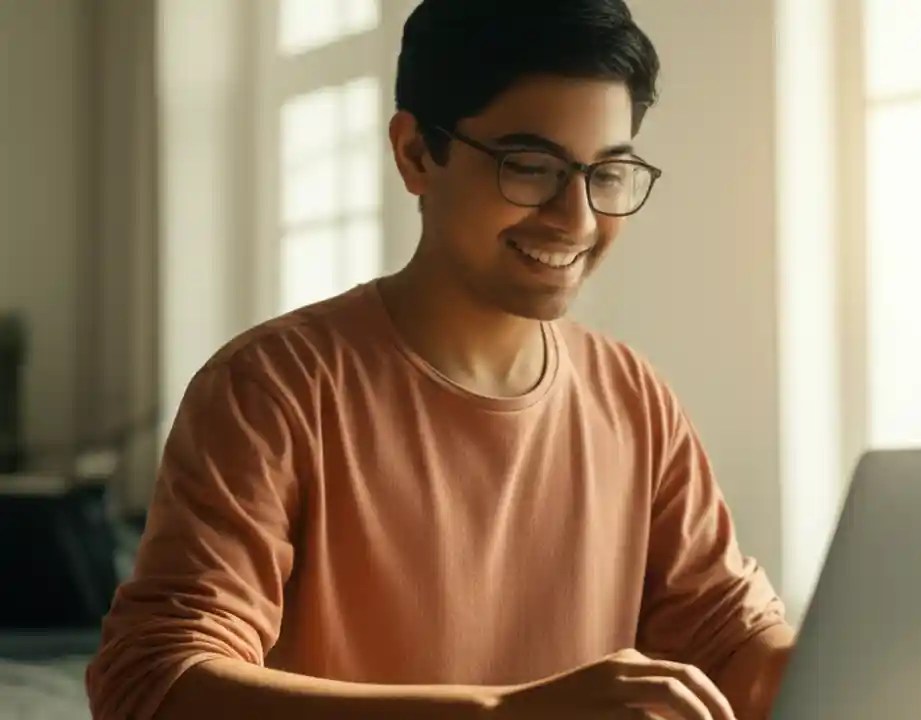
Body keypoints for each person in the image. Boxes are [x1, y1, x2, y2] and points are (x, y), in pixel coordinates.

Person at [85, 1, 794, 718]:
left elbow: (733, 643)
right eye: (530, 167)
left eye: (607, 174)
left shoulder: (633, 396)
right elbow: (156, 682)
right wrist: (501, 714)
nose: (576, 218)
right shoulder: (273, 388)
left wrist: (894, 646)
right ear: (416, 154)